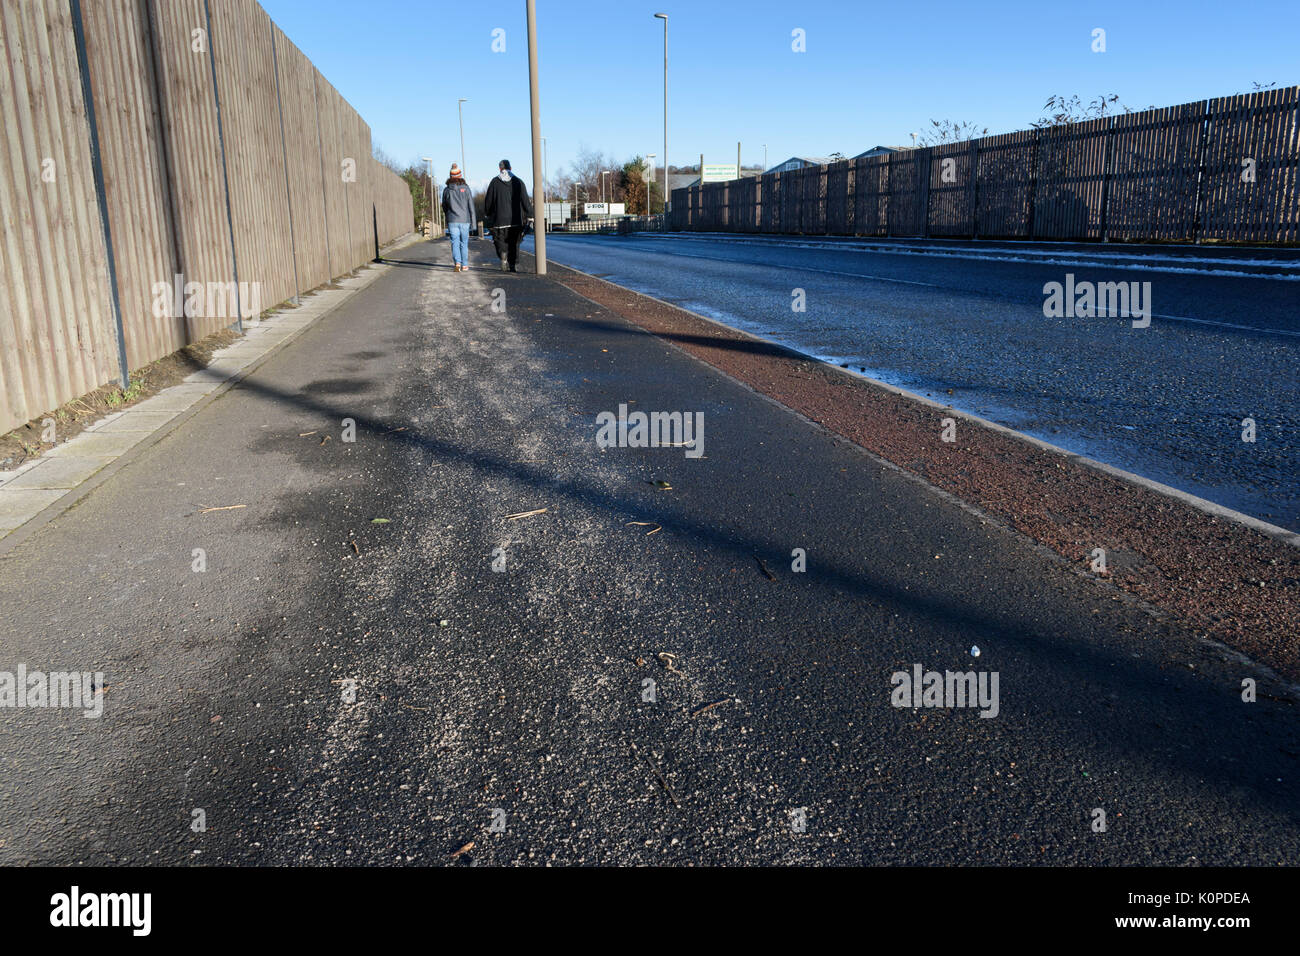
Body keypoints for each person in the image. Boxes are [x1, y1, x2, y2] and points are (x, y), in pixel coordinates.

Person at [483, 159, 533, 272]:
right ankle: (513, 265)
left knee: (500, 240)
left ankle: (503, 254)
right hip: (515, 219)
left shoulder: (494, 182)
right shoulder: (518, 182)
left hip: (499, 219)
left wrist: (488, 213)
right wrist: (530, 215)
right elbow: (525, 200)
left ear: (500, 169)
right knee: (514, 243)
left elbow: (489, 200)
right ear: (511, 168)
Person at [441, 164, 475, 272]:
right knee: (464, 243)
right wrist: (473, 224)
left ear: (450, 176)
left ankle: (457, 263)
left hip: (452, 220)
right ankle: (465, 265)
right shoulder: (466, 189)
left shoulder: (446, 190)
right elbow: (471, 207)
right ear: (460, 176)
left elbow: (444, 207)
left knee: (454, 242)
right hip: (465, 220)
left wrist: (448, 215)